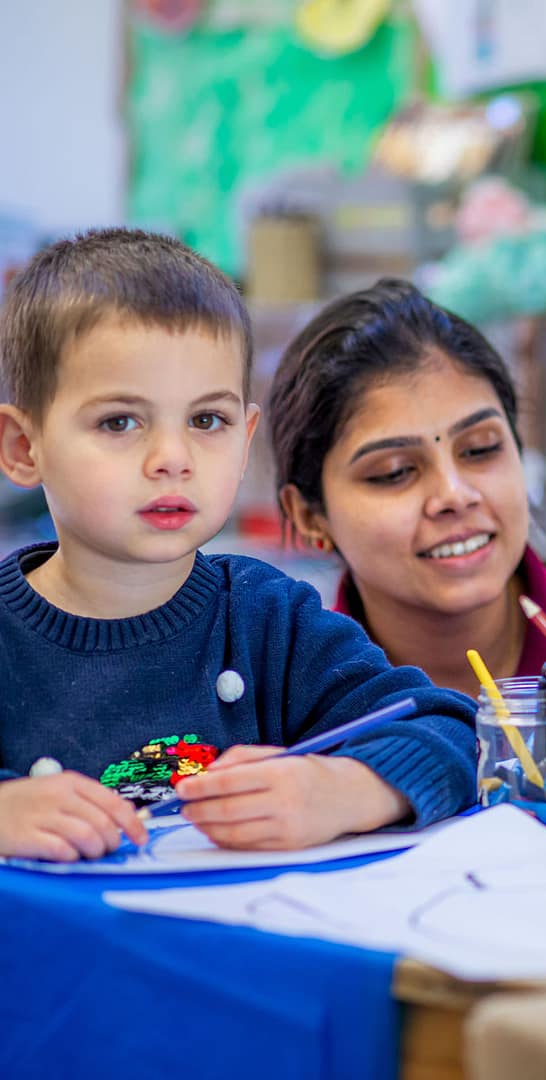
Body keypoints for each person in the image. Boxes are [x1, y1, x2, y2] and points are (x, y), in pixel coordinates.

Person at [0, 229, 477, 862]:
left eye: (207, 421)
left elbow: (448, 730)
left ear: (247, 437)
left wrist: (339, 789)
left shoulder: (268, 619)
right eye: (119, 421)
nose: (172, 459)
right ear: (23, 448)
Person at [267, 279, 546, 700]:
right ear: (309, 516)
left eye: (480, 449)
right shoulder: (291, 704)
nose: (454, 495)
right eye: (394, 472)